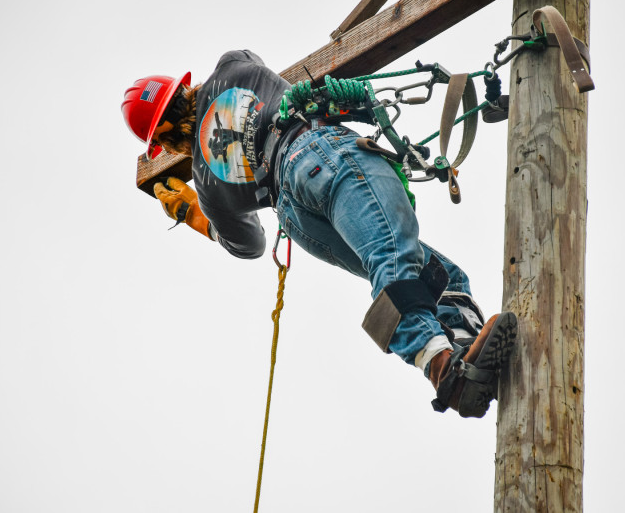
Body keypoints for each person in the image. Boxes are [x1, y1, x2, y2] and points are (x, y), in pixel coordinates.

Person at [121, 50, 516, 418]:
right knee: (392, 253)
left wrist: (197, 216)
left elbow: (250, 245)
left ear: (164, 142)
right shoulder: (231, 66)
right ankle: (442, 367)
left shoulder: (208, 188)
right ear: (182, 88)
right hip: (317, 149)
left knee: (439, 277)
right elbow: (257, 71)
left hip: (295, 215)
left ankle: (465, 354)